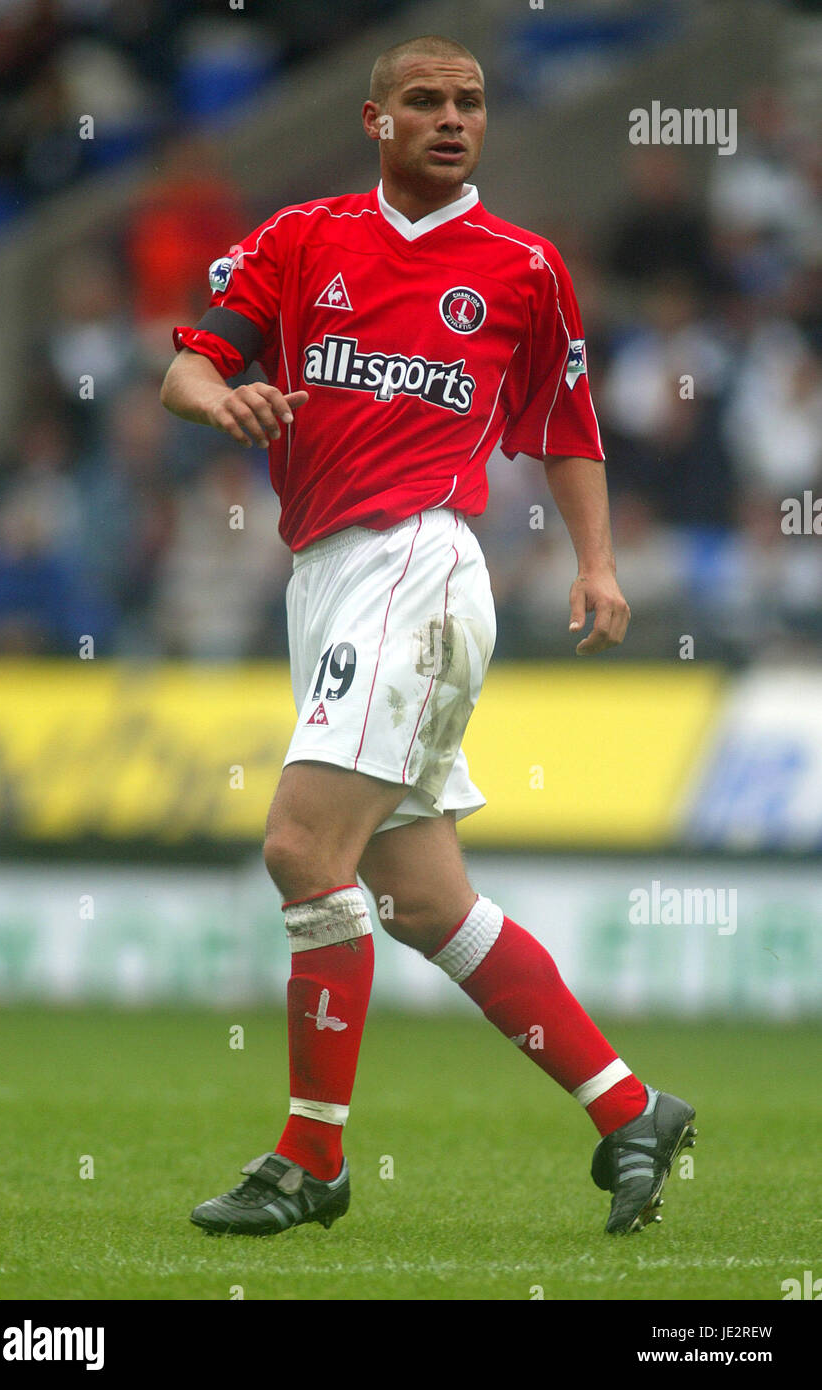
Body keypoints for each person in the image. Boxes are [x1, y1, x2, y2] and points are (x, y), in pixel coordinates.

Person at [160, 34, 696, 1239]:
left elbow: (564, 423)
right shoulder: (300, 239)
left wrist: (597, 562)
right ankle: (629, 1107)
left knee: (303, 847)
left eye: (468, 103)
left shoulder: (521, 266)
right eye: (423, 101)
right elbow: (189, 368)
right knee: (421, 900)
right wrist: (224, 398)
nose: (450, 119)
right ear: (373, 118)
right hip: (324, 575)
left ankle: (310, 1158)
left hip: (417, 562)